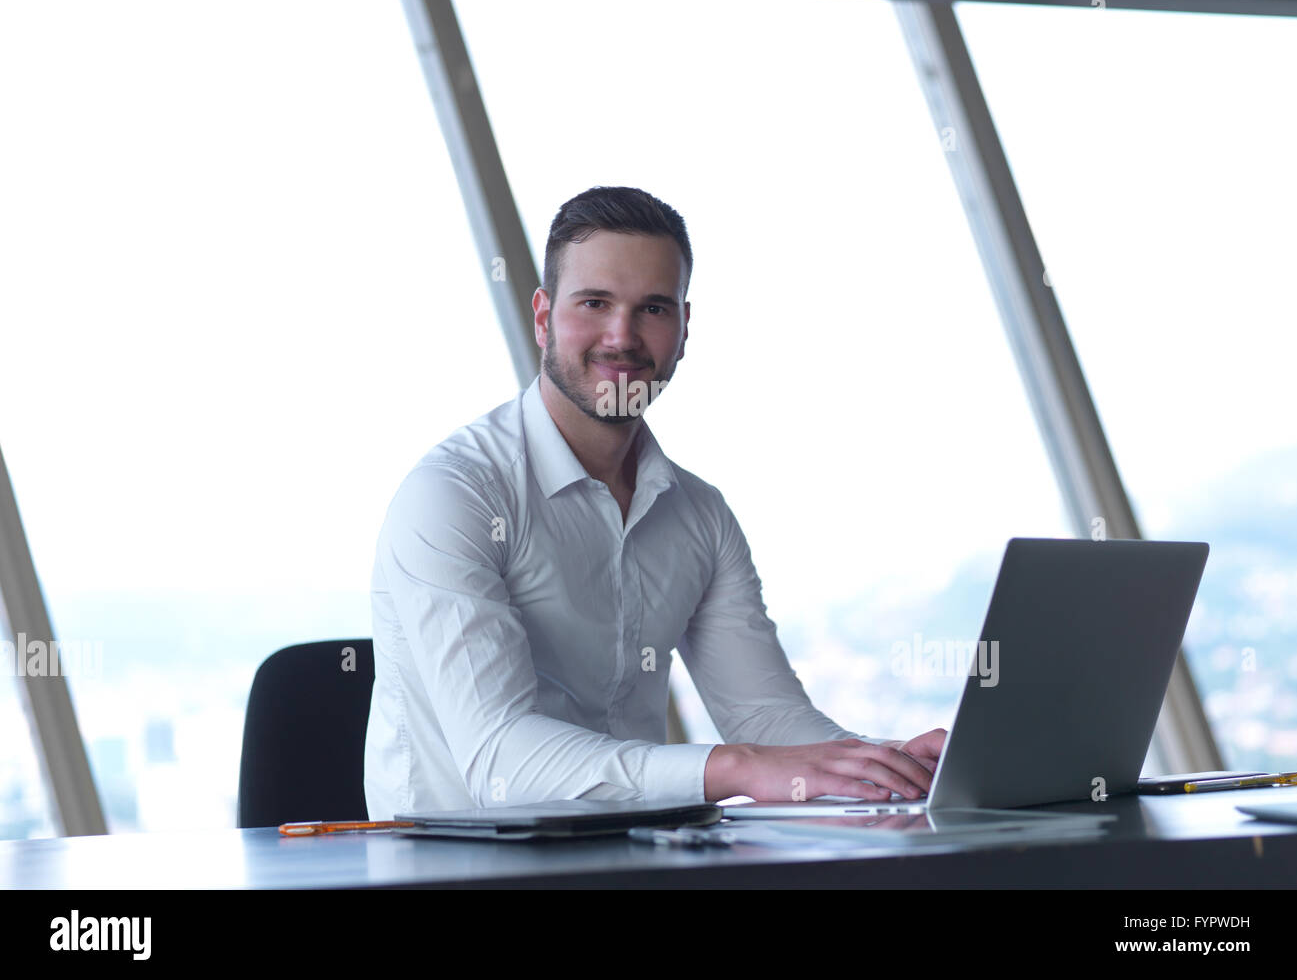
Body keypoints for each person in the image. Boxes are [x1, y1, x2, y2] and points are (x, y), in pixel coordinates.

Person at [363, 185, 946, 817]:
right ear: (542, 316)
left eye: (653, 309)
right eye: (594, 303)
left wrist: (887, 763)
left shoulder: (699, 515)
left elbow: (763, 716)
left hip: (628, 857)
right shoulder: (454, 496)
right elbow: (500, 760)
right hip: (454, 868)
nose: (622, 336)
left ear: (685, 328)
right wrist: (733, 766)